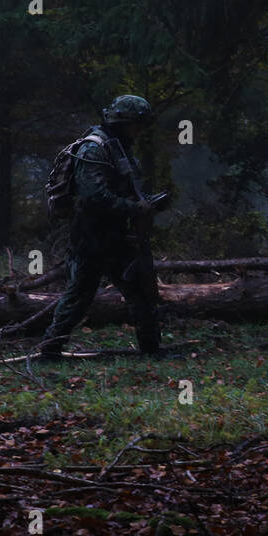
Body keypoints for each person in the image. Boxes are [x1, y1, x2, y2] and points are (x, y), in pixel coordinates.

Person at [41, 94, 165, 357]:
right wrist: (135, 208)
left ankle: (152, 351)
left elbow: (124, 188)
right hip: (92, 236)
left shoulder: (119, 146)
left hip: (117, 234)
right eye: (137, 124)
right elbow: (94, 197)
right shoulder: (94, 148)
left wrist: (147, 202)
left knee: (142, 291)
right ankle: (49, 350)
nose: (140, 131)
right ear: (123, 122)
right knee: (79, 296)